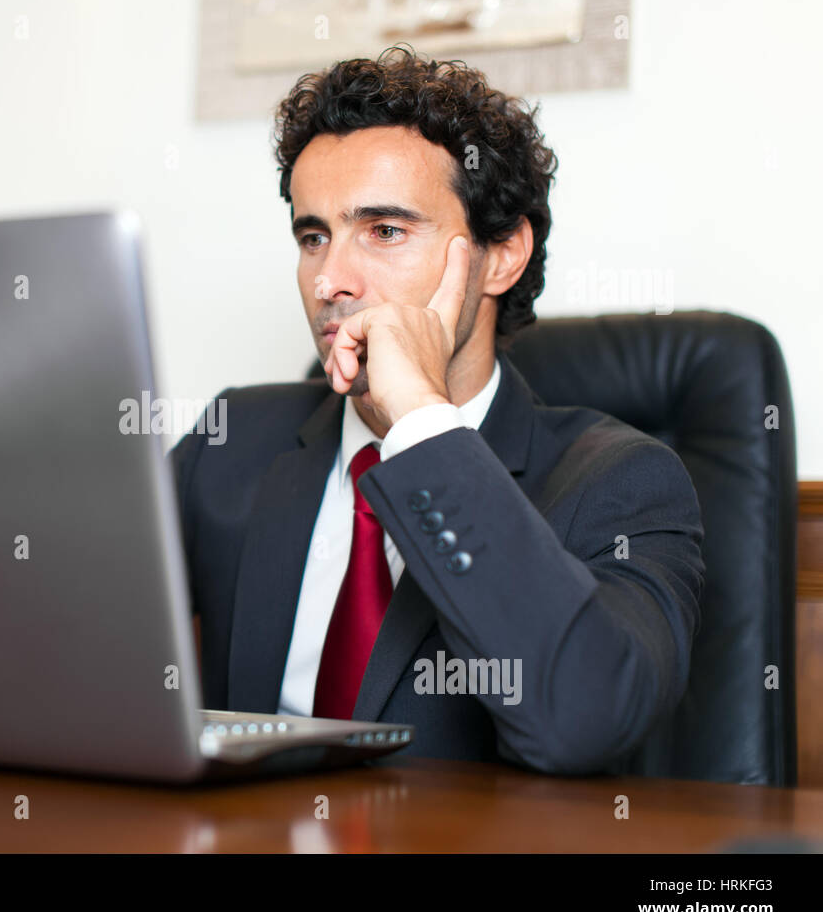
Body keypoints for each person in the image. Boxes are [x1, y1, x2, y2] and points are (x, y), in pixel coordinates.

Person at [169, 46, 704, 774]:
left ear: (504, 254)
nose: (330, 280)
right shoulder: (229, 444)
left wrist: (420, 419)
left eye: (385, 231)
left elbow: (584, 721)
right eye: (313, 235)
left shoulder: (621, 482)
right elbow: (67, 648)